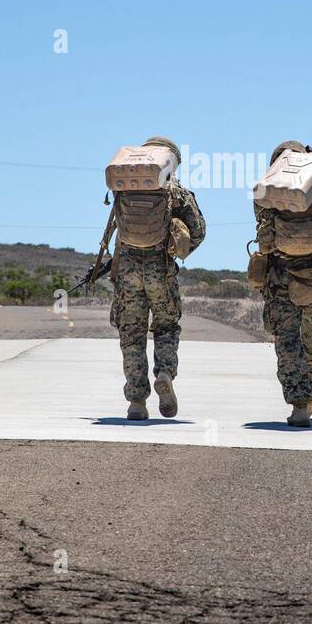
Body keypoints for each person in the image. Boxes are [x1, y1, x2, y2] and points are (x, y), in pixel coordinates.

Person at [109, 137, 206, 420]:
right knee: (165, 327)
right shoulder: (177, 193)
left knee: (131, 334)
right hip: (160, 270)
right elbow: (198, 231)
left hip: (127, 272)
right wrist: (175, 247)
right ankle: (164, 372)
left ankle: (137, 402)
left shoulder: (123, 189)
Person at [251, 141, 312, 427]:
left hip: (280, 278)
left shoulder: (265, 193)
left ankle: (299, 405)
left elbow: (261, 223)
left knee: (288, 343)